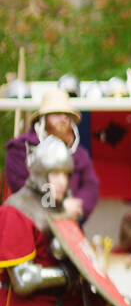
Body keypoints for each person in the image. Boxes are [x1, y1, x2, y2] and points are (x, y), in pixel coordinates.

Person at [0, 136, 125, 306]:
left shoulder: (58, 210)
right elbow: (23, 280)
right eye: (55, 173)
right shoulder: (16, 210)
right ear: (38, 173)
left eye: (66, 175)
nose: (62, 181)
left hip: (58, 304)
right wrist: (69, 274)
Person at [5, 89, 100, 224]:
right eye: (57, 114)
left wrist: (77, 208)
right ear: (43, 118)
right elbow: (22, 189)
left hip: (69, 223)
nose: (63, 119)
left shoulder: (79, 154)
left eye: (67, 115)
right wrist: (60, 207)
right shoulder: (21, 150)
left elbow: (90, 186)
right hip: (32, 224)